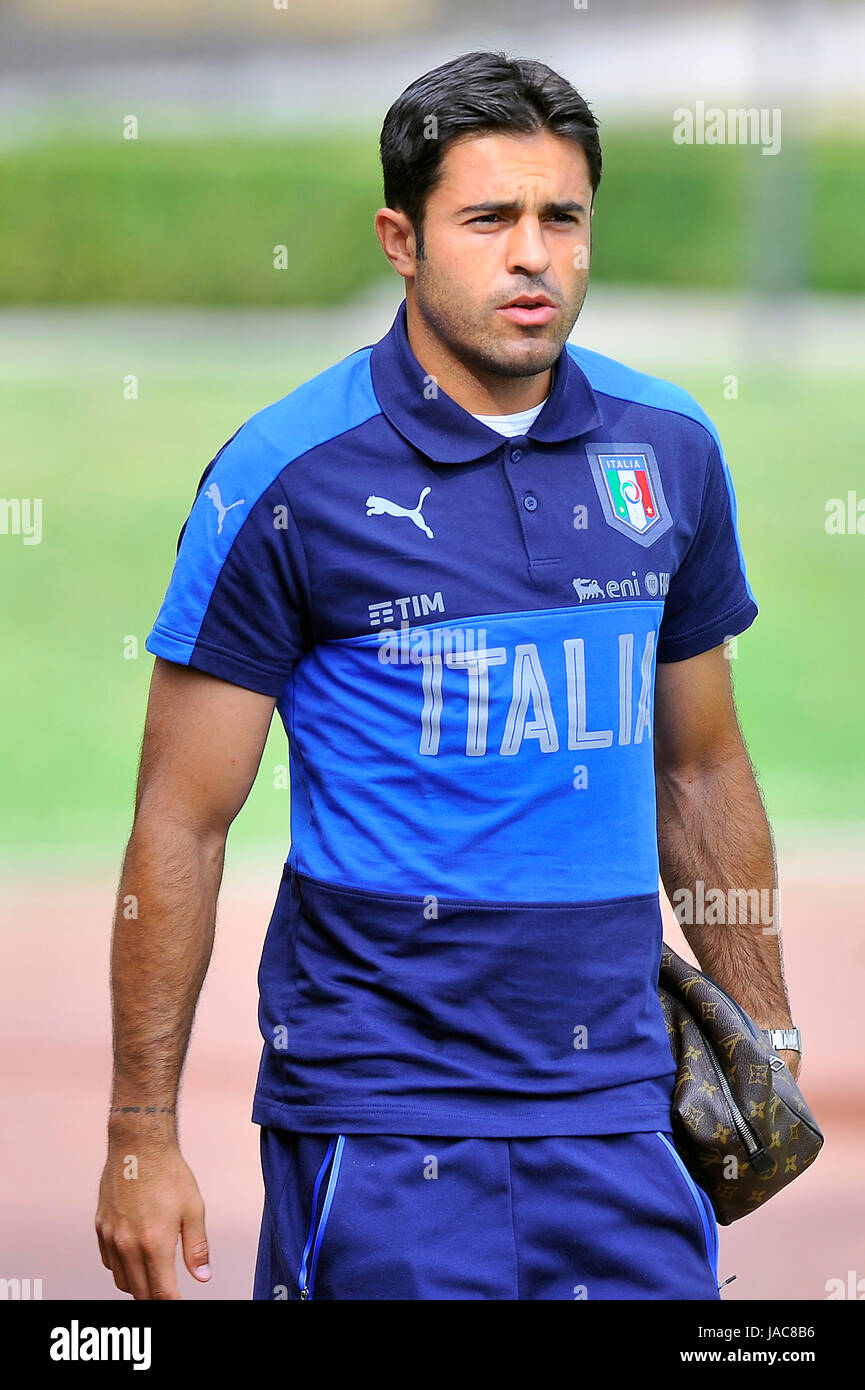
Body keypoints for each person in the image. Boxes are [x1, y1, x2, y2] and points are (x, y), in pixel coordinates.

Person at [95, 50, 801, 1301]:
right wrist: (140, 1131)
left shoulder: (671, 451)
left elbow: (698, 765)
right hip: (379, 1124)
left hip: (620, 1113)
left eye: (561, 218)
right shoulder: (284, 476)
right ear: (400, 238)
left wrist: (769, 1036)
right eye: (488, 218)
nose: (532, 254)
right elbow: (182, 819)